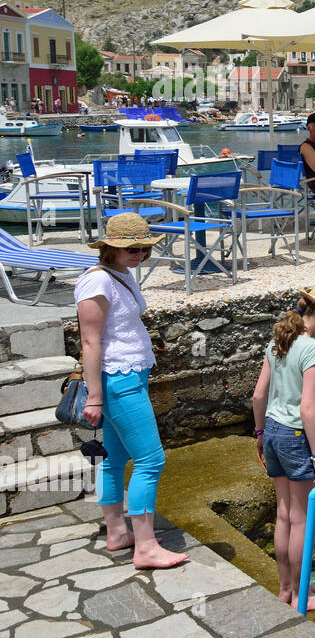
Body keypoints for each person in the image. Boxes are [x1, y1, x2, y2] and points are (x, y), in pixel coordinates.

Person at [76, 213, 189, 570]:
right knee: (151, 460)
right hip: (117, 380)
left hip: (128, 376)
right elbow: (90, 342)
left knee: (114, 458)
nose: (139, 253)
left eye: (143, 247)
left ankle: (117, 533)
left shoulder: (118, 275)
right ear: (110, 247)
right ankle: (146, 547)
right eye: (131, 248)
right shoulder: (97, 283)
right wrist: (94, 396)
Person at [252, 282, 315, 612]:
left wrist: (261, 433)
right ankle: (300, 597)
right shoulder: (313, 351)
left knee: (283, 515)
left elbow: (258, 396)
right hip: (296, 438)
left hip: (274, 432)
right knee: (301, 518)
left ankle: (286, 588)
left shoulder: (278, 342)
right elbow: (308, 407)